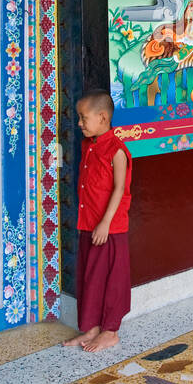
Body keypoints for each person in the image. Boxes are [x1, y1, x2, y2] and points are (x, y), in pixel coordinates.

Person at [63, 90, 133, 354]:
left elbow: (119, 189)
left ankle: (110, 331)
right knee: (90, 276)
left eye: (84, 118)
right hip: (88, 222)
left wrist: (105, 223)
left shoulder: (116, 150)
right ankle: (91, 327)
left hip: (109, 228)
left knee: (112, 279)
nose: (79, 123)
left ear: (103, 117)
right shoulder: (88, 145)